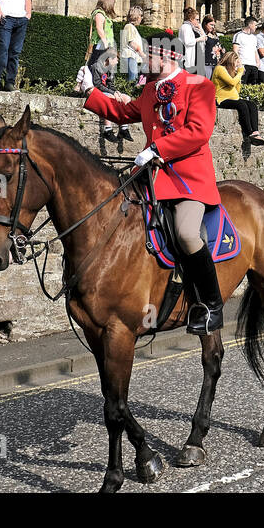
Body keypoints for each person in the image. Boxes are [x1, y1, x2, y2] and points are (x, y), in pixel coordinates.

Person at [78, 35, 226, 334]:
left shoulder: (201, 86)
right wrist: (91, 91)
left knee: (186, 233)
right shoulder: (149, 91)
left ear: (166, 57)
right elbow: (122, 112)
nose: (142, 59)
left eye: (147, 55)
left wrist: (157, 150)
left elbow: (199, 131)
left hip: (188, 179)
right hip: (151, 177)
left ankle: (212, 305)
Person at [84, 0, 124, 142]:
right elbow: (99, 29)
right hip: (100, 44)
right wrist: (105, 42)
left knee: (106, 67)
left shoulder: (105, 15)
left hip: (106, 44)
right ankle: (89, 85)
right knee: (96, 66)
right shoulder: (99, 13)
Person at [213, 50, 264, 147]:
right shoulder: (220, 69)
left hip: (233, 99)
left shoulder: (232, 72)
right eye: (236, 64)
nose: (237, 66)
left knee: (252, 104)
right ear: (231, 61)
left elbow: (237, 89)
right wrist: (240, 73)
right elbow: (231, 82)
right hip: (221, 99)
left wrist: (238, 76)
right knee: (242, 105)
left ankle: (255, 132)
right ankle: (249, 132)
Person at [119, 5, 146, 87]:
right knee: (132, 81)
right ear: (137, 16)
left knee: (134, 80)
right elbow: (131, 43)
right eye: (141, 16)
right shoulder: (129, 27)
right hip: (130, 56)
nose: (141, 18)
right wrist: (142, 54)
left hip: (132, 57)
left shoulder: (131, 27)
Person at [233, 16, 260, 85]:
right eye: (255, 25)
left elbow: (255, 51)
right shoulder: (238, 35)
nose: (256, 27)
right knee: (242, 86)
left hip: (254, 66)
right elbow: (235, 51)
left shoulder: (254, 37)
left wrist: (258, 63)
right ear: (250, 25)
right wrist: (240, 65)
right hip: (244, 65)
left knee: (253, 89)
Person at [179, 7, 206, 75]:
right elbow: (188, 42)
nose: (198, 21)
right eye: (197, 19)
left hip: (195, 55)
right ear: (191, 19)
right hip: (188, 56)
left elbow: (205, 37)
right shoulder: (185, 27)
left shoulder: (193, 28)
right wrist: (199, 39)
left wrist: (200, 27)